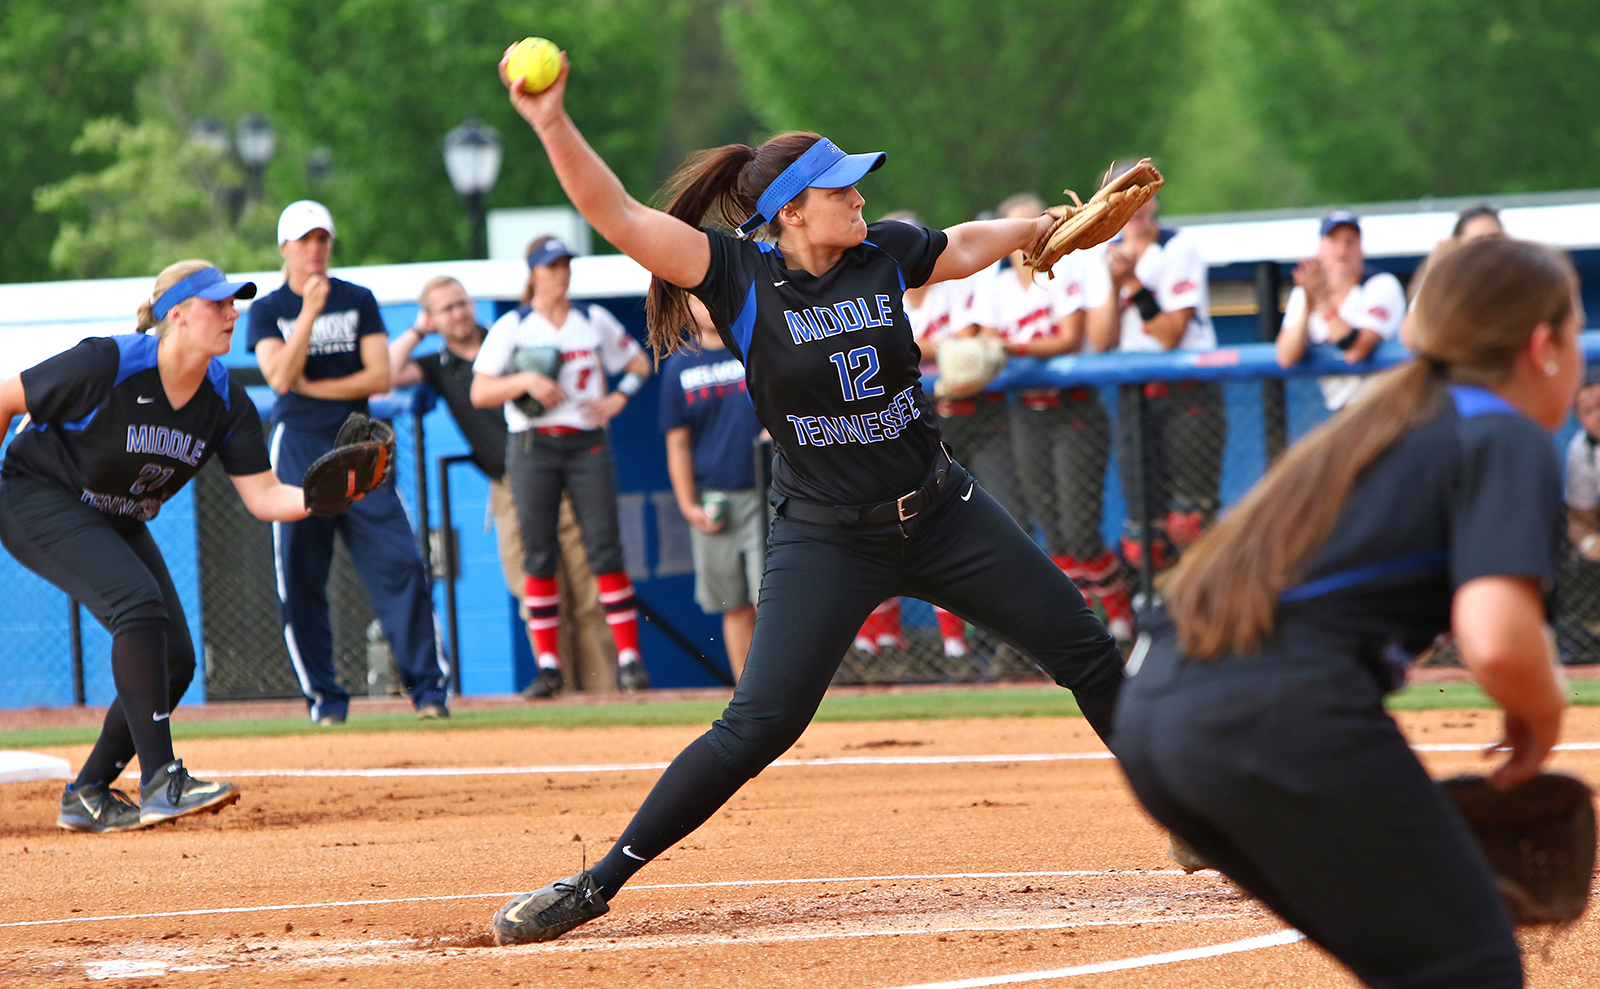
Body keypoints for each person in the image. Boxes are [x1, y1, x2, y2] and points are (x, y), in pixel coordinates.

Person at [488, 48, 1122, 945]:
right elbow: (616, 214)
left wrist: (1035, 231)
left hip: (941, 511)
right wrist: (552, 122)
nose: (859, 198)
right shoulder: (736, 275)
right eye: (840, 189)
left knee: (1088, 650)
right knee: (758, 725)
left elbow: (963, 243)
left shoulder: (883, 250)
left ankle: (1193, 813)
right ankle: (594, 883)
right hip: (826, 536)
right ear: (791, 210)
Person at [1115, 237, 1583, 988]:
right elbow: (1496, 639)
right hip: (1271, 718)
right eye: (1575, 331)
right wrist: (1544, 712)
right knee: (1473, 968)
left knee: (1417, 967)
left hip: (1156, 716)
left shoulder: (1387, 418)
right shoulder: (1503, 432)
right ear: (1542, 347)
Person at [0, 260, 309, 832]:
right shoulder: (111, 362)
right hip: (36, 495)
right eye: (217, 304)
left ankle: (87, 794)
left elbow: (264, 496)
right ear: (177, 315)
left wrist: (324, 496)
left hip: (115, 514)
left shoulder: (225, 400)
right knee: (138, 605)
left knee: (175, 659)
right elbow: (5, 397)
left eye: (234, 303)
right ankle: (162, 780)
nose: (232, 313)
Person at [248, 201, 451, 725]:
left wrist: (313, 386)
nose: (315, 249)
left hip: (357, 443)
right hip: (297, 445)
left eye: (322, 239)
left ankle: (428, 692)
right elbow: (279, 378)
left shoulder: (357, 298)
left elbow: (379, 377)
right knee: (301, 576)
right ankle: (326, 700)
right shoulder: (268, 308)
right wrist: (309, 312)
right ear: (285, 247)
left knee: (400, 562)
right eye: (304, 240)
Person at [389, 275, 613, 697]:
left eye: (461, 303)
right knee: (536, 592)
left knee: (587, 593)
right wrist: (418, 330)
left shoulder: (511, 338)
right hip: (510, 487)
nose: (458, 313)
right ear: (433, 318)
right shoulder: (439, 364)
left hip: (563, 471)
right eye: (446, 308)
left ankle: (606, 697)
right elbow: (384, 374)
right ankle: (564, 698)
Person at [471, 236, 654, 694]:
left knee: (604, 547)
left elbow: (638, 363)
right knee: (538, 552)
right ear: (533, 272)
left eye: (565, 265)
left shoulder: (590, 318)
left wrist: (618, 399)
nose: (560, 274)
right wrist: (524, 380)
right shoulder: (515, 325)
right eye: (551, 266)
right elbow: (480, 391)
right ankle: (549, 665)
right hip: (533, 444)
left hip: (586, 441)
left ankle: (629, 659)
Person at [974, 192, 1132, 641]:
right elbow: (986, 343)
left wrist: (1010, 347)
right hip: (1026, 412)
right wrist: (995, 349)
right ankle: (1079, 628)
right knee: (1054, 533)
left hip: (1073, 407)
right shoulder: (997, 284)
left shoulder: (1064, 270)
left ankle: (1120, 617)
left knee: (1081, 530)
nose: (1029, 235)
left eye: (1036, 224)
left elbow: (1068, 340)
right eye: (1019, 227)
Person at [854, 210, 983, 662]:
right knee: (885, 534)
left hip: (970, 421)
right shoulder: (873, 288)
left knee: (954, 532)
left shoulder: (952, 284)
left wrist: (909, 347)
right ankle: (881, 644)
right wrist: (932, 347)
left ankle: (958, 646)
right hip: (901, 425)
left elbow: (966, 346)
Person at [1085, 166, 1224, 575]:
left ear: (1153, 200)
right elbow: (1101, 341)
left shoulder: (1177, 248)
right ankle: (1161, 608)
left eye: (1140, 197)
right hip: (1137, 398)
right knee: (1143, 535)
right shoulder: (1104, 254)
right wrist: (1115, 284)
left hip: (1186, 393)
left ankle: (1209, 602)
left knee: (1190, 523)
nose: (1134, 209)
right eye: (1123, 200)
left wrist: (1131, 283)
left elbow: (1169, 336)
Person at [659, 297, 765, 679]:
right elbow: (677, 442)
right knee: (731, 603)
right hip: (714, 500)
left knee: (771, 601)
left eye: (711, 295)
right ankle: (746, 693)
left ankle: (782, 691)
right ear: (687, 308)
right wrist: (687, 504)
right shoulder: (680, 366)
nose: (708, 305)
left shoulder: (756, 348)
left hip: (767, 495)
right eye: (697, 299)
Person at [1274, 210, 1406, 410]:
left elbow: (1355, 352)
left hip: (1390, 404)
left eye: (1350, 240)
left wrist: (1322, 301)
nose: (1342, 249)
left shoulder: (1380, 284)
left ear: (1361, 248)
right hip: (1345, 408)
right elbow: (1286, 357)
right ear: (1320, 248)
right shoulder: (1305, 292)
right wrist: (1309, 305)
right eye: (1333, 240)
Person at [1402, 204, 1508, 348]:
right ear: (1457, 245)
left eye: (1495, 237)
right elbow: (1412, 339)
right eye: (1477, 240)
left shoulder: (1525, 277)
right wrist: (1434, 273)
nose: (1487, 246)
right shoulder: (1449, 289)